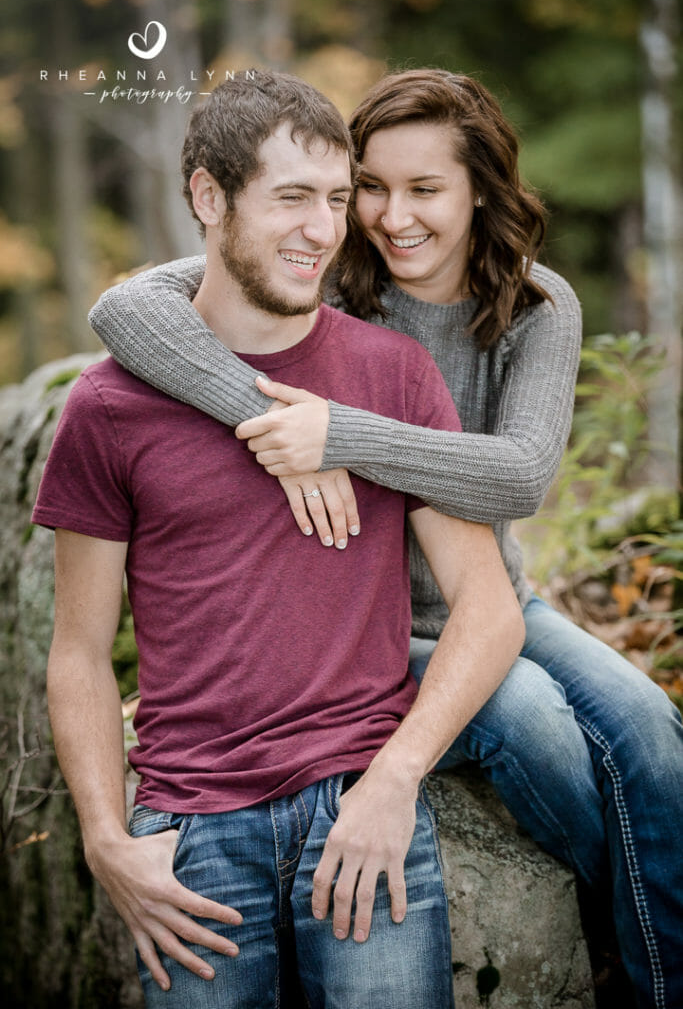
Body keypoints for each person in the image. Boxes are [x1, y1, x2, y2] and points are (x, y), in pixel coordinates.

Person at [88, 68, 683, 1009]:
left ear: (479, 191)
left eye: (424, 190)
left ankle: (657, 969)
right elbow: (123, 308)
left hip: (492, 598)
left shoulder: (535, 306)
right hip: (366, 623)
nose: (388, 216)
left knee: (648, 726)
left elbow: (521, 474)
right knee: (530, 720)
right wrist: (270, 425)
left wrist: (341, 434)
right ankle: (626, 919)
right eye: (369, 186)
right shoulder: (329, 281)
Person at [34, 71, 525, 1009]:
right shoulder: (106, 407)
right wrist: (107, 837)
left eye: (337, 199)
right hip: (189, 835)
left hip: (361, 805)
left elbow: (489, 610)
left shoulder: (390, 371)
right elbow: (79, 651)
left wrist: (393, 783)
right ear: (208, 197)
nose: (324, 229)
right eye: (292, 198)